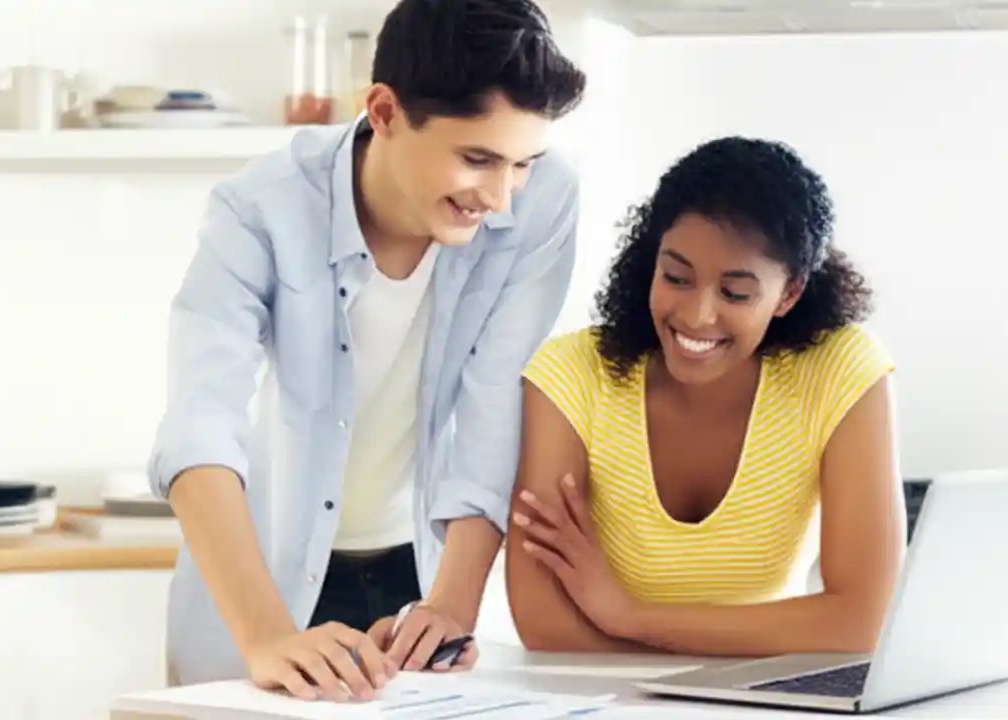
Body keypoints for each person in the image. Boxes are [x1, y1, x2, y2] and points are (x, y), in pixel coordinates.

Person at [147, 0, 585, 700]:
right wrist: (264, 635)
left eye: (523, 163)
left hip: (415, 580)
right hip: (256, 583)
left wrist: (452, 605)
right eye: (477, 159)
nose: (501, 198)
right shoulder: (259, 209)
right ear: (383, 111)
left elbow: (494, 403)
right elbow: (201, 424)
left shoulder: (544, 202)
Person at [506, 136, 906, 656]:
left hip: (764, 702)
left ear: (789, 294)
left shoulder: (841, 371)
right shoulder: (572, 375)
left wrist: (627, 618)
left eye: (736, 293)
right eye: (676, 276)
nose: (697, 316)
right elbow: (544, 624)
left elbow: (857, 624)